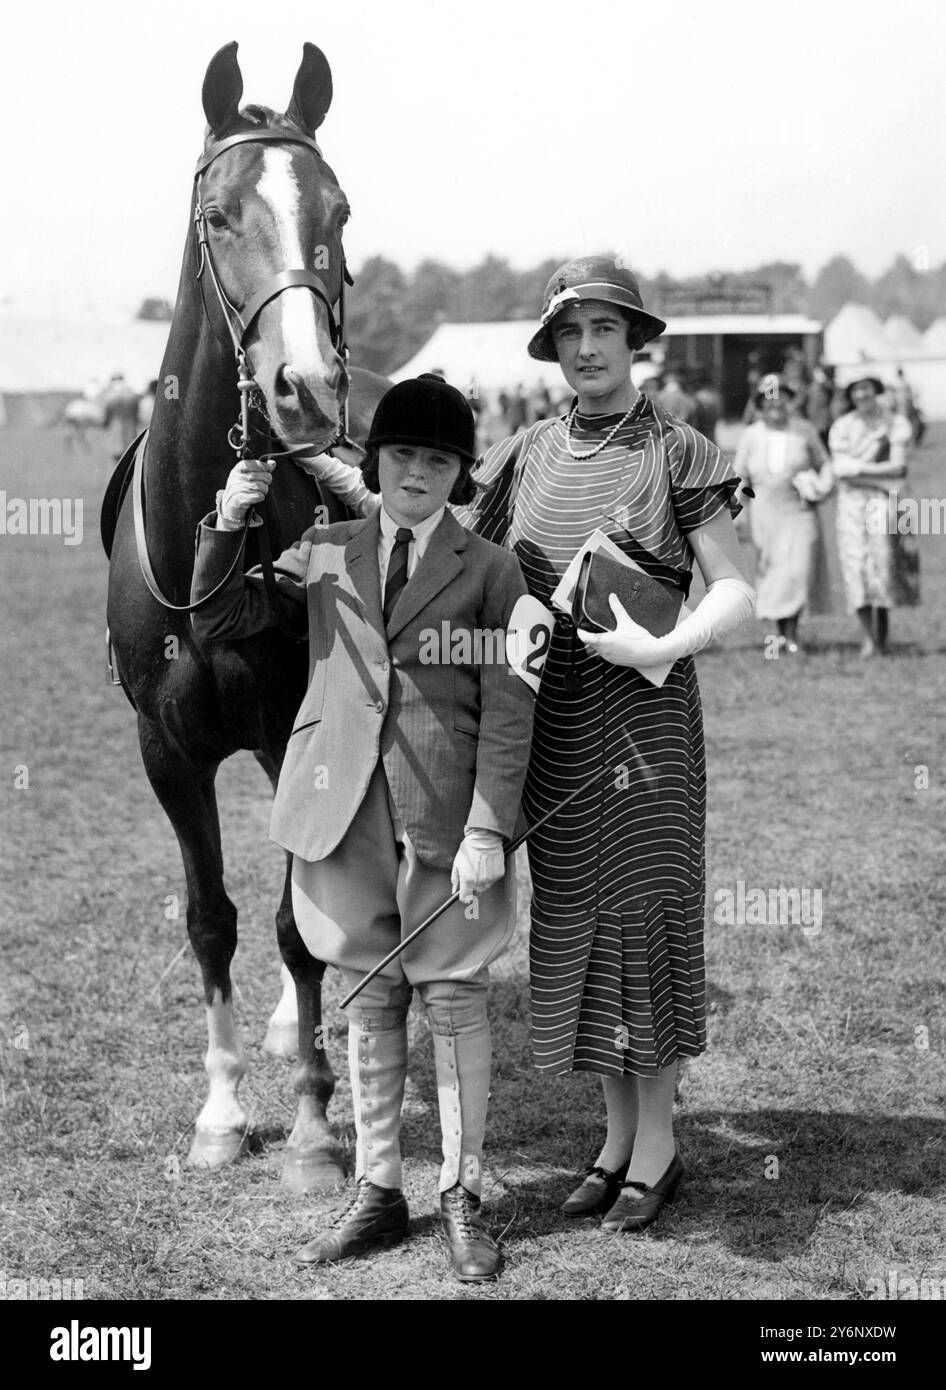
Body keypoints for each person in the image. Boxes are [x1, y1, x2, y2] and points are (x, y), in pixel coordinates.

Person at [310, 259, 756, 1231]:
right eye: (569, 333)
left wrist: (667, 641)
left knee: (645, 925)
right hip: (554, 731)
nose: (586, 349)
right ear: (551, 347)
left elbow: (737, 588)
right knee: (582, 934)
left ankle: (658, 1145)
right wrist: (322, 466)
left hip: (645, 724)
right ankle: (610, 1140)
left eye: (603, 329)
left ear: (635, 337)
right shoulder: (523, 452)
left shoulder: (681, 450)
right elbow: (430, 524)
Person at [189, 376, 536, 1281]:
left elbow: (508, 712)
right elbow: (220, 614)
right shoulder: (327, 551)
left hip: (450, 824)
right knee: (367, 994)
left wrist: (490, 828)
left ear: (459, 473)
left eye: (437, 459)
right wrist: (226, 521)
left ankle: (460, 1191)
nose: (416, 472)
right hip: (340, 816)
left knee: (455, 1001)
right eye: (401, 455)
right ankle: (379, 1191)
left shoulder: (493, 569)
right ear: (372, 461)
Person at [734, 377, 833, 655]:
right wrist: (738, 512)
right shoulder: (752, 434)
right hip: (766, 511)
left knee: (798, 571)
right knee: (775, 572)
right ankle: (779, 636)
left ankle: (793, 634)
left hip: (799, 510)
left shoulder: (804, 430)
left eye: (781, 401)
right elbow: (741, 477)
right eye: (768, 403)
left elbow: (824, 463)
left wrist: (822, 487)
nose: (775, 408)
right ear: (760, 406)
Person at [829, 376, 914, 657]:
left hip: (882, 501)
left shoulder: (895, 423)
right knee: (856, 567)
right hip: (851, 504)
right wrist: (874, 470)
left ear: (876, 391)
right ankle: (867, 638)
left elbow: (899, 467)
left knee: (883, 565)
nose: (862, 395)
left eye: (866, 389)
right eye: (856, 390)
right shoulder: (843, 426)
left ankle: (883, 637)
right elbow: (839, 468)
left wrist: (857, 469)